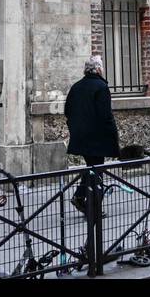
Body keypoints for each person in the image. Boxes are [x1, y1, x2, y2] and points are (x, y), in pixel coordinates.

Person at [64, 56, 120, 213]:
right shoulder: (101, 87)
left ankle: (80, 197)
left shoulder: (76, 87)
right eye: (101, 67)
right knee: (97, 172)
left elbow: (67, 111)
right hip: (97, 138)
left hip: (81, 137)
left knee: (91, 168)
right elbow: (105, 115)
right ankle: (94, 209)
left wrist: (75, 128)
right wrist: (113, 137)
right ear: (98, 69)